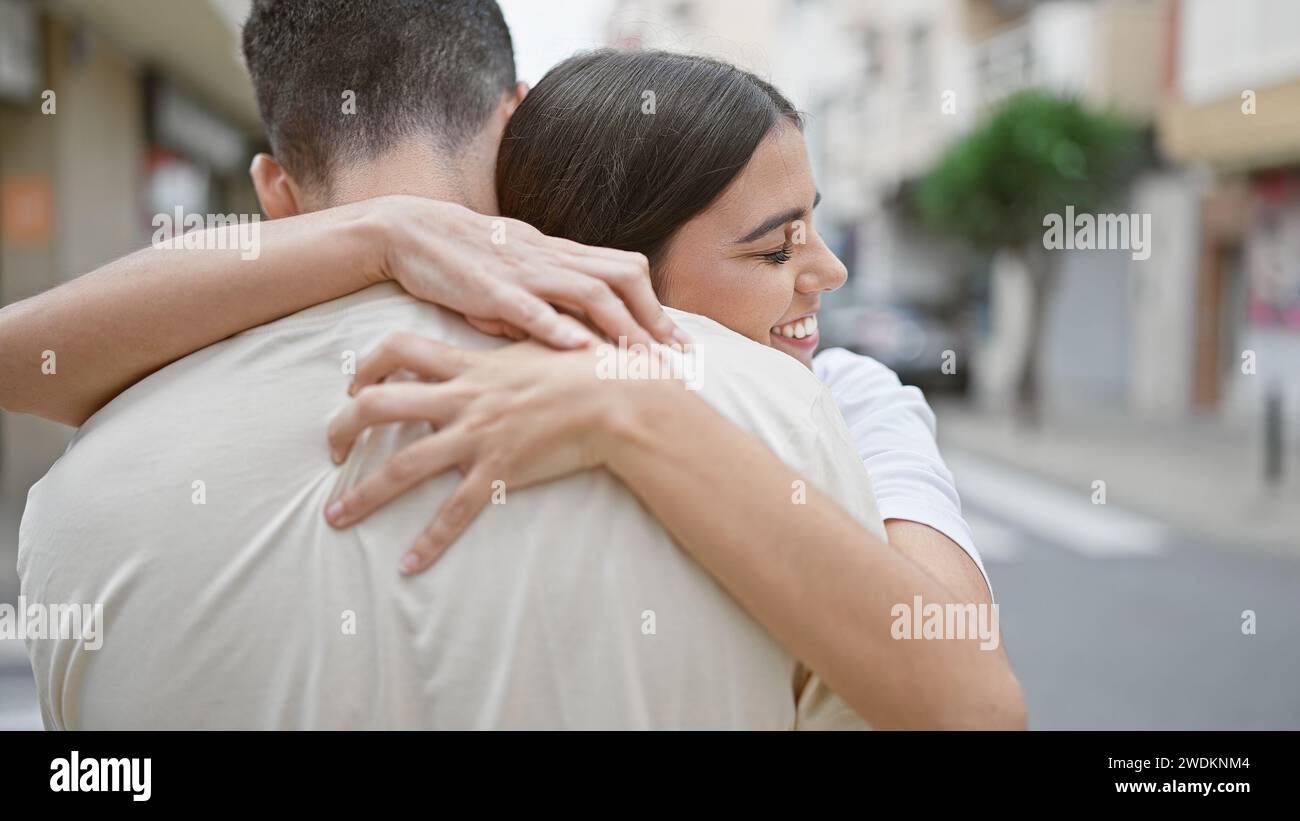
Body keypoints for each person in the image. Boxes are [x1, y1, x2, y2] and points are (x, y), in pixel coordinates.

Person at [11, 0, 1023, 727]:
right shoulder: (785, 414)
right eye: (774, 243)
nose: (826, 271)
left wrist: (370, 233)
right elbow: (968, 709)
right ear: (517, 118)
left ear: (274, 190)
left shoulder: (83, 484)